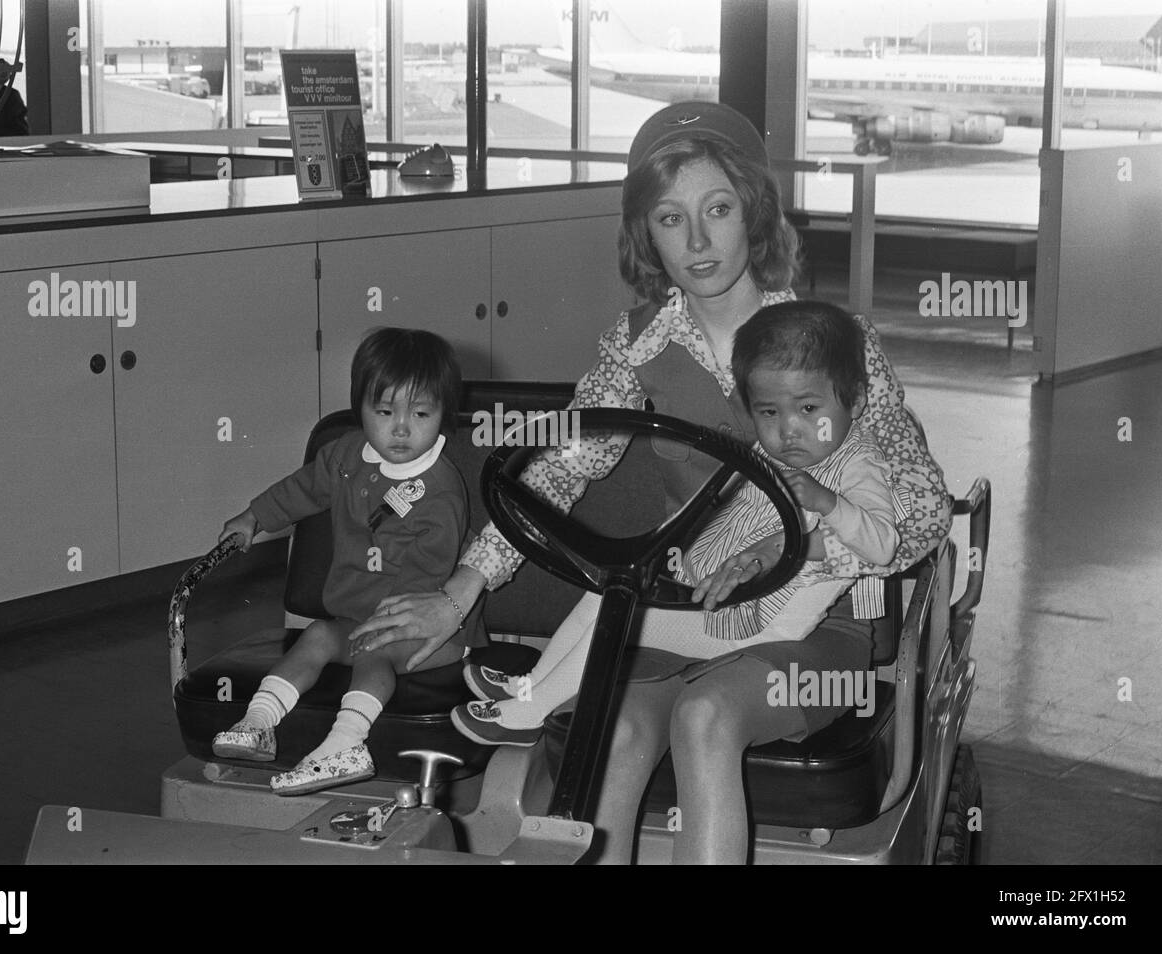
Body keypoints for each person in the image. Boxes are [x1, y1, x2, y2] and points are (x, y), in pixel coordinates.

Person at [348, 101, 951, 863]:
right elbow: (552, 477)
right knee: (615, 727)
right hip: (678, 611)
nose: (697, 241)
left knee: (705, 718)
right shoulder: (635, 350)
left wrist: (804, 553)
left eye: (718, 209)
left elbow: (924, 512)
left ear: (753, 214)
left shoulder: (838, 344)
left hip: (810, 627)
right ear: (647, 233)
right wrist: (459, 591)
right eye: (671, 219)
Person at [450, 300, 903, 741]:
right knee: (606, 591)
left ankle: (527, 714)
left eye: (808, 410)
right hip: (723, 593)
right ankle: (533, 684)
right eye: (769, 413)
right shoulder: (782, 451)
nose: (788, 429)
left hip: (764, 620)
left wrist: (828, 504)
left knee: (624, 613)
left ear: (857, 400)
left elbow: (882, 543)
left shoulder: (858, 464)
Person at [210, 328, 478, 796]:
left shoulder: (439, 489)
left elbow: (428, 579)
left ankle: (346, 743)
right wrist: (254, 517)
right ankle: (258, 721)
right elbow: (301, 489)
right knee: (315, 635)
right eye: (384, 411)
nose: (400, 429)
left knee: (371, 648)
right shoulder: (345, 457)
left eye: (420, 413)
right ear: (361, 408)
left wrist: (376, 622)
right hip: (357, 617)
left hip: (432, 628)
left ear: (443, 414)